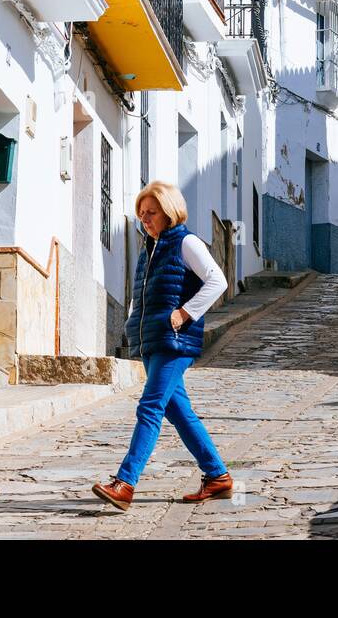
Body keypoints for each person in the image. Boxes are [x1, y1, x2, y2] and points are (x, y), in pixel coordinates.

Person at [91, 181, 232, 511]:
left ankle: (125, 482)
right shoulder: (148, 251)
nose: (145, 219)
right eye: (141, 214)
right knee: (176, 410)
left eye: (151, 212)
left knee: (150, 406)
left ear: (169, 211)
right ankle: (217, 477)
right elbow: (141, 298)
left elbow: (218, 281)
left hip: (176, 340)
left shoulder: (187, 243)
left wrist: (185, 313)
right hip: (153, 340)